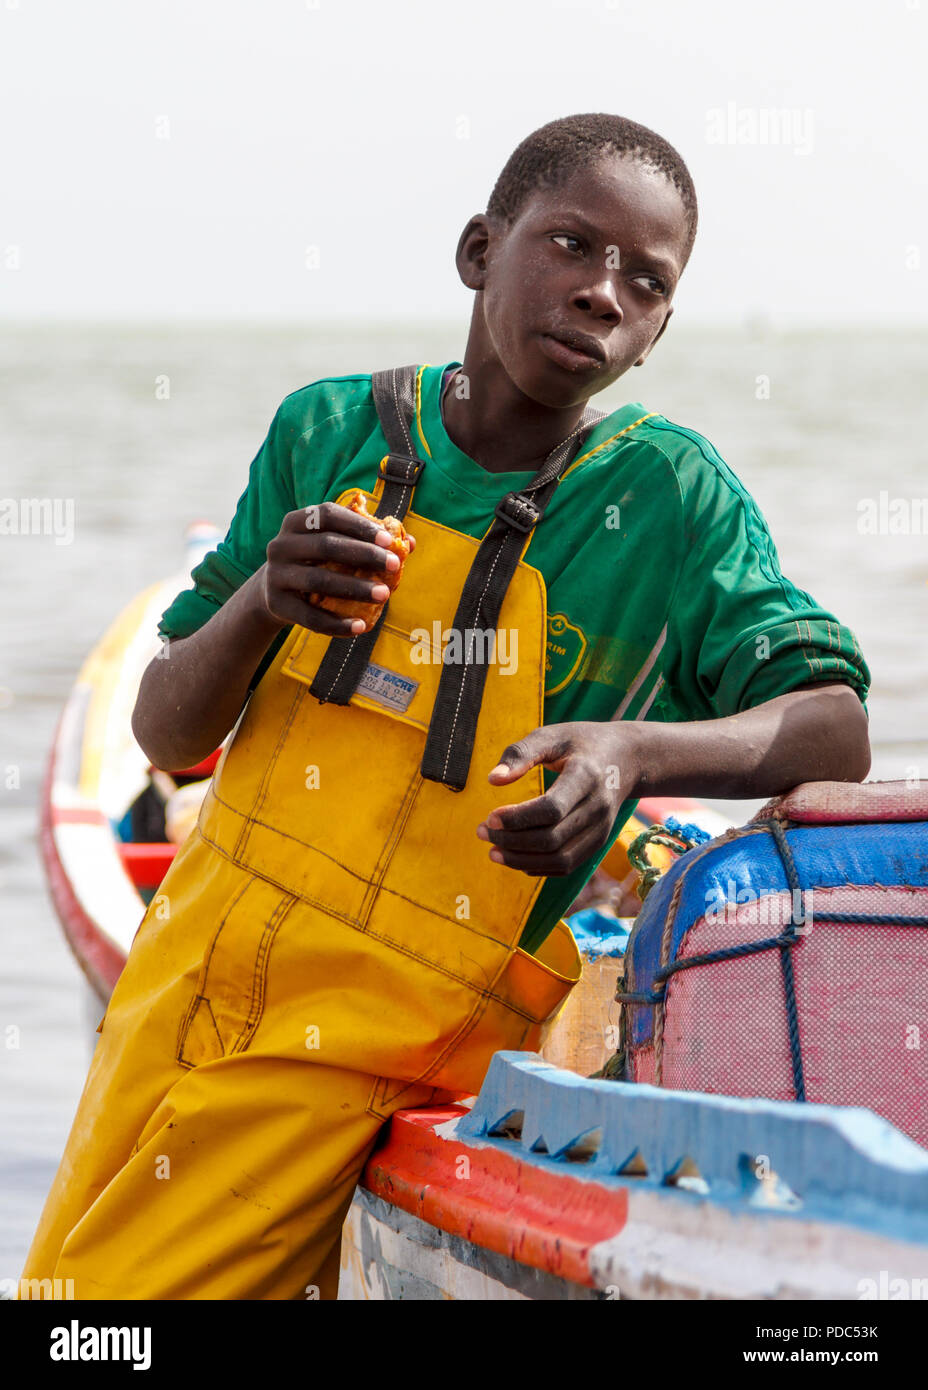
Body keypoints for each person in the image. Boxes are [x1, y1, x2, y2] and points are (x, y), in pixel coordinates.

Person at [22, 113, 870, 1300]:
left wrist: (630, 752)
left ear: (660, 330)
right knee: (75, 1292)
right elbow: (168, 734)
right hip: (198, 974)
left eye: (644, 280)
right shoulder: (327, 432)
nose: (600, 293)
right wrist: (265, 595)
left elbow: (831, 723)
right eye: (570, 245)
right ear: (480, 248)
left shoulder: (668, 500)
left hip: (425, 1031)